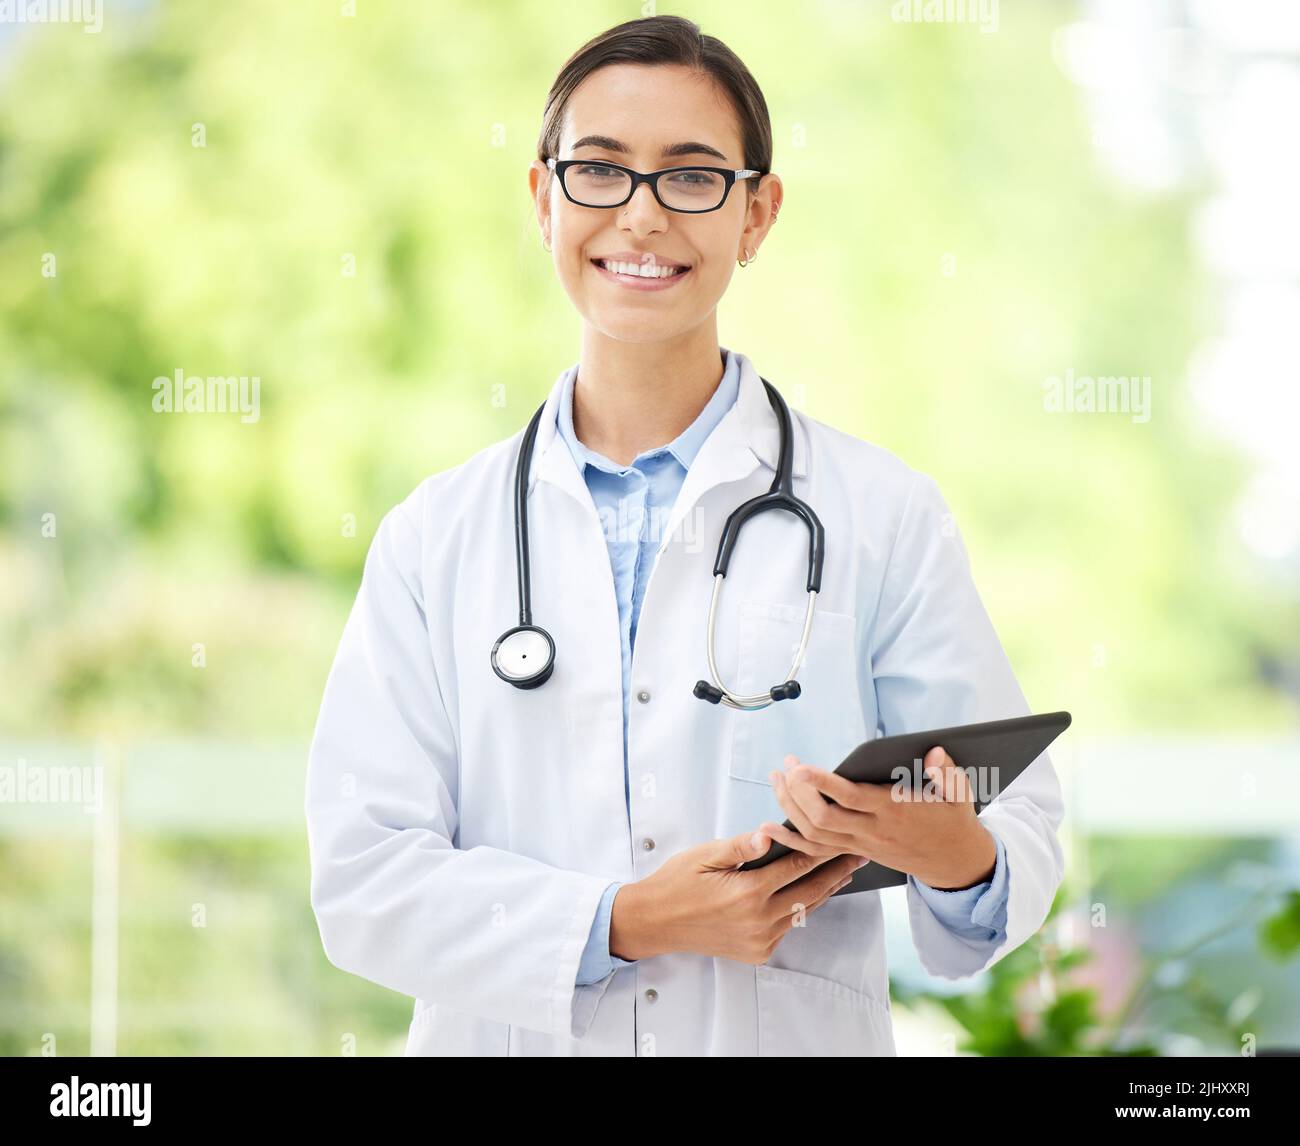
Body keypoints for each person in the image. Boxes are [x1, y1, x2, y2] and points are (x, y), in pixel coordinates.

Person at [305, 14, 1064, 1057]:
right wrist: (631, 919)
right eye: (601, 172)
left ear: (756, 214)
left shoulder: (882, 515)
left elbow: (1014, 831)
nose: (643, 216)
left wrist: (952, 852)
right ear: (543, 199)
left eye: (693, 176)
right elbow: (363, 878)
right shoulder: (435, 537)